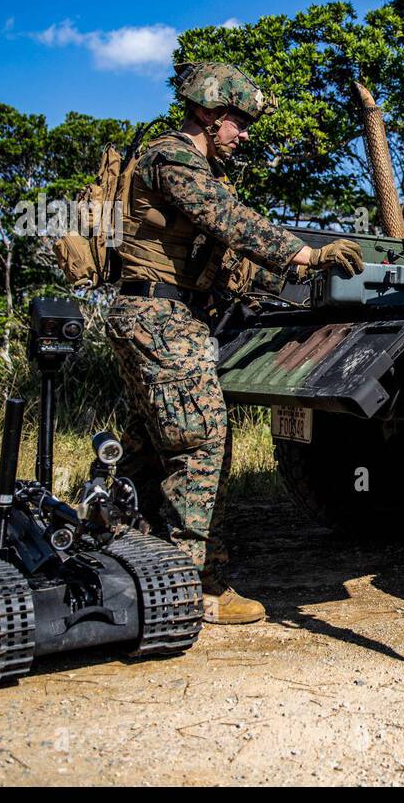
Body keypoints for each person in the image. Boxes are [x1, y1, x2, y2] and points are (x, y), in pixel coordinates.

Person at [106, 61, 364, 624]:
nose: (242, 135)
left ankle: (124, 561)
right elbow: (230, 222)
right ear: (207, 112)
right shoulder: (172, 157)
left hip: (156, 312)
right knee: (202, 442)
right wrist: (307, 253)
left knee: (150, 447)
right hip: (159, 315)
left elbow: (229, 263)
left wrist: (306, 281)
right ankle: (196, 589)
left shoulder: (192, 167)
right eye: (237, 123)